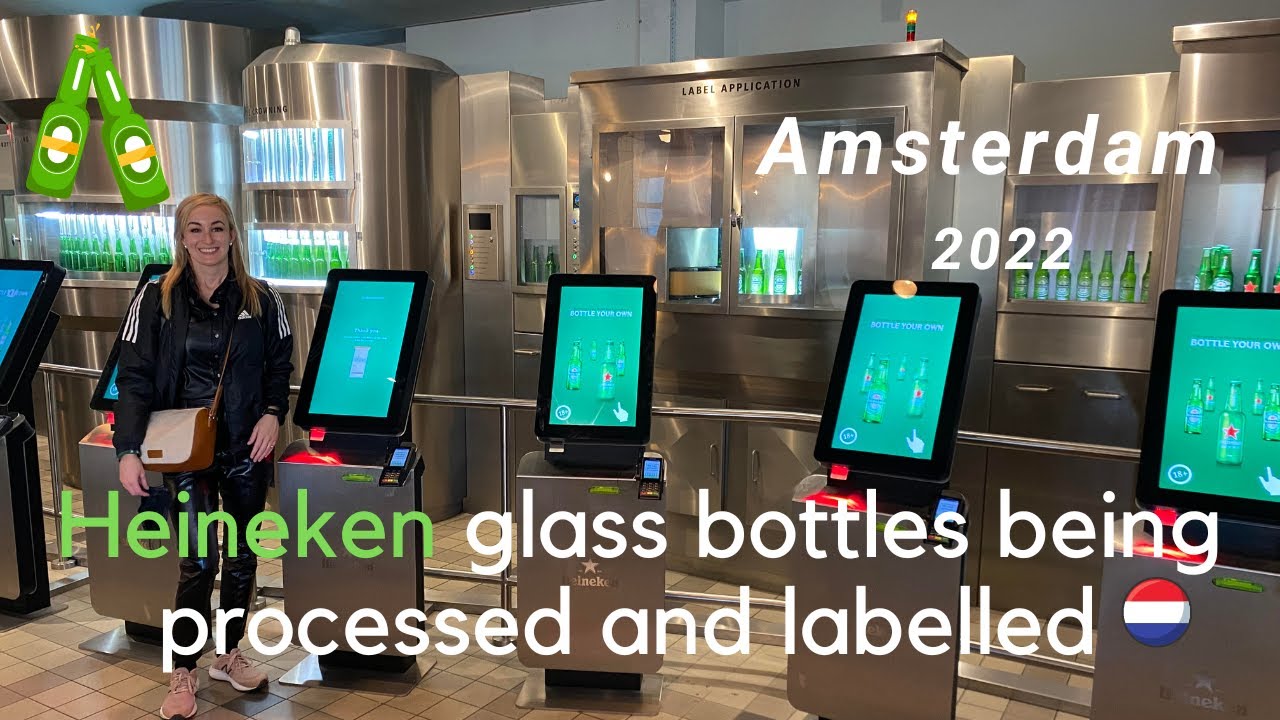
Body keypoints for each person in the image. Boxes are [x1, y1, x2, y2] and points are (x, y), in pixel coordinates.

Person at [113, 193, 293, 720]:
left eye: (217, 228)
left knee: (241, 558)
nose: (208, 239)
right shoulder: (155, 300)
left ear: (233, 235)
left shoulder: (263, 300)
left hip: (245, 449)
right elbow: (135, 378)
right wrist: (128, 450)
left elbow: (279, 366)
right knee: (198, 562)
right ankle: (183, 670)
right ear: (181, 238)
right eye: (196, 230)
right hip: (184, 452)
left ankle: (228, 653)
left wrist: (272, 414)